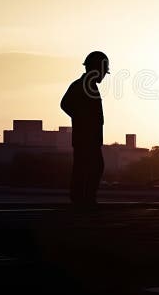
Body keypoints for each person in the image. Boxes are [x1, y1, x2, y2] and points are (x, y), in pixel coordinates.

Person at [60, 51, 109, 210]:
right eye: (103, 71)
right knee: (89, 167)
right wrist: (83, 120)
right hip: (86, 138)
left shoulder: (88, 85)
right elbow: (65, 104)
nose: (104, 75)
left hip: (89, 137)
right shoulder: (83, 85)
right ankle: (83, 200)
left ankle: (83, 199)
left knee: (88, 167)